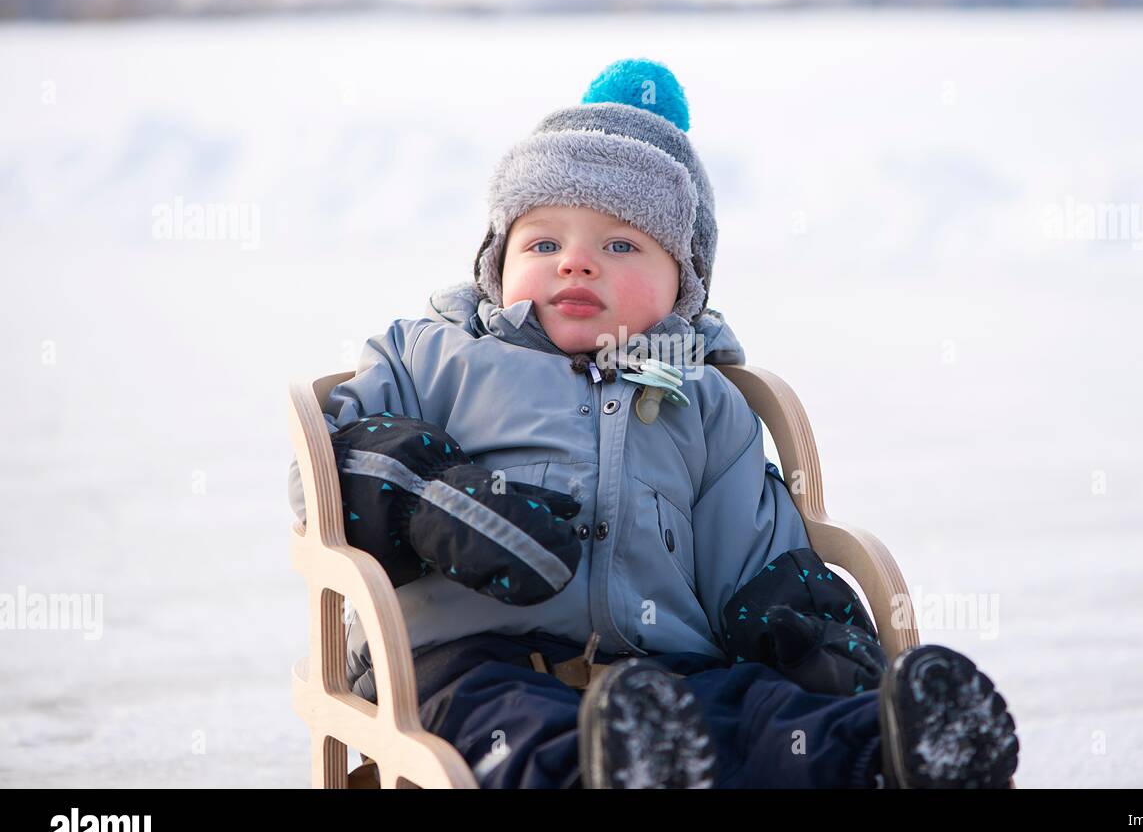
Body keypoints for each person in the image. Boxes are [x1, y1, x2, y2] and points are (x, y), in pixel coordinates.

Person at [287, 58, 1019, 789]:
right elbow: (324, 470)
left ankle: (891, 751)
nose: (576, 264)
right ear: (495, 260)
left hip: (666, 680)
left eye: (620, 245)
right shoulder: (432, 354)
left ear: (682, 285)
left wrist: (822, 650)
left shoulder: (702, 400)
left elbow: (754, 562)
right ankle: (609, 774)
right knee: (517, 729)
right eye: (543, 243)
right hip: (468, 661)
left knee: (758, 716)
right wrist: (437, 501)